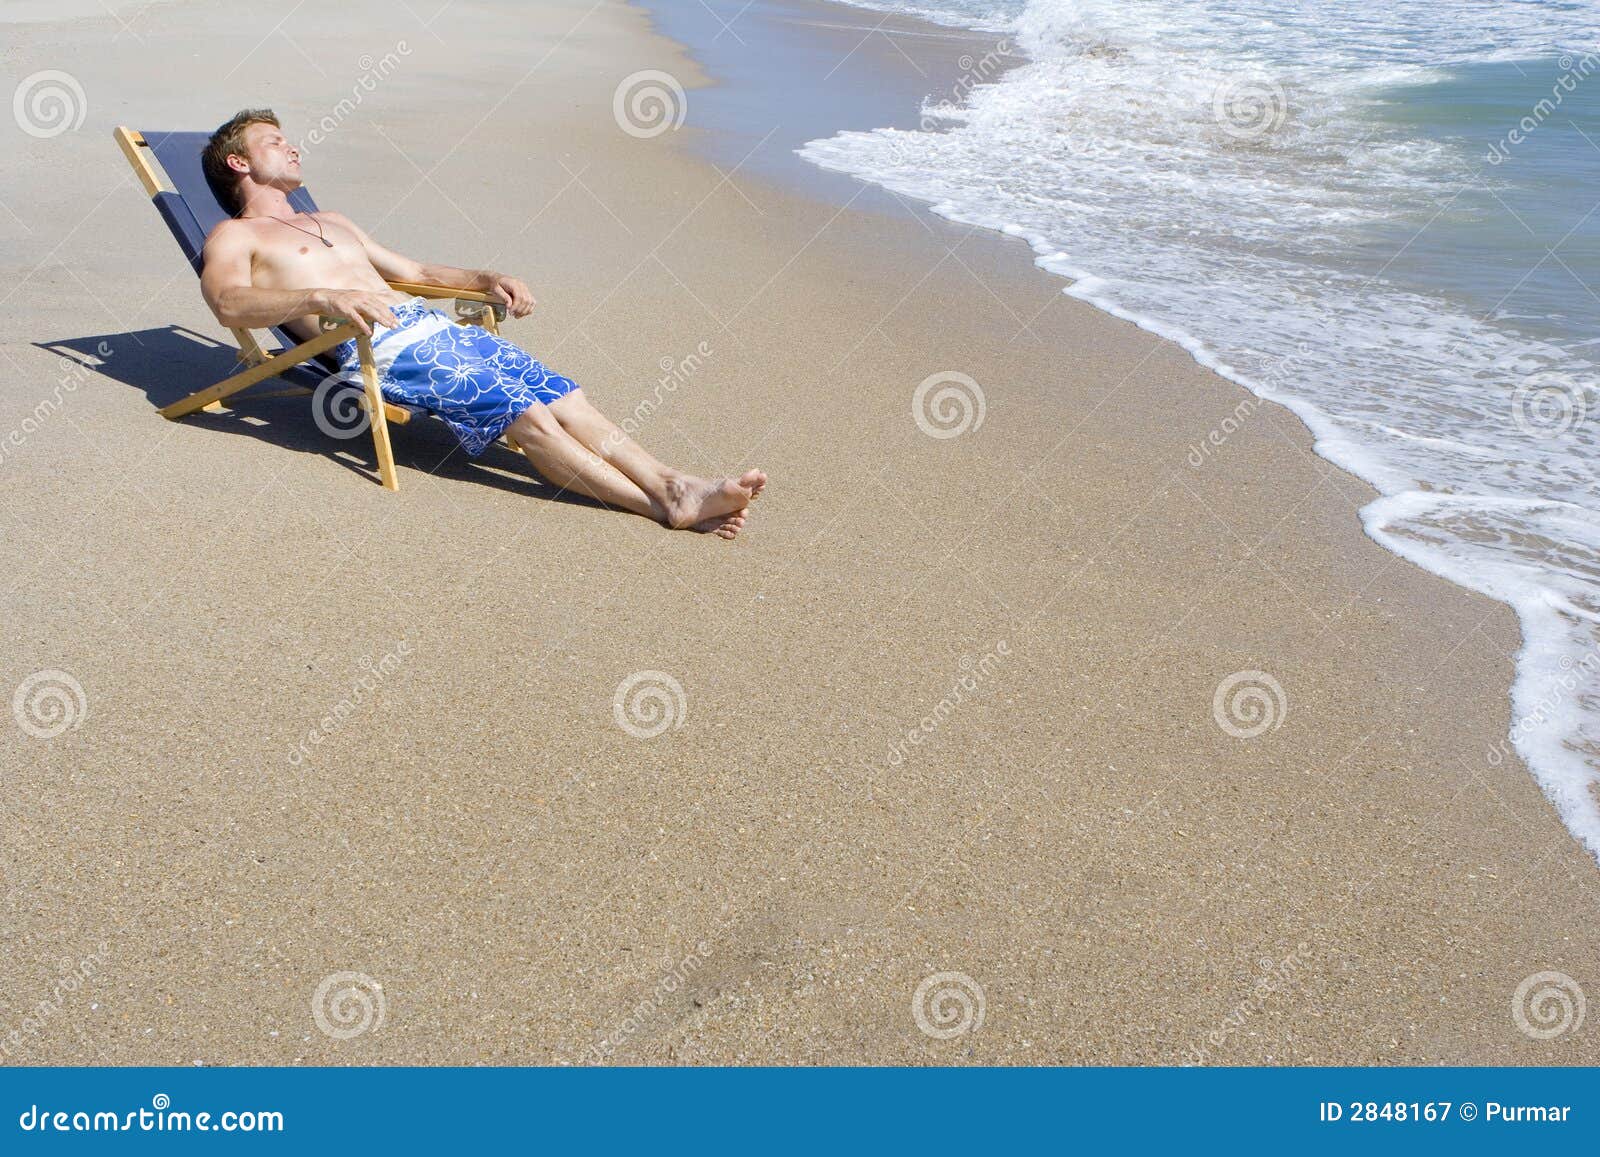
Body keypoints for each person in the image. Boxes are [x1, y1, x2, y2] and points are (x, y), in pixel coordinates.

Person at [198, 109, 765, 538]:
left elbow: (414, 271)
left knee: (565, 397)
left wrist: (482, 277)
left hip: (434, 328)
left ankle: (674, 481)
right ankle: (663, 506)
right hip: (381, 348)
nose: (293, 146)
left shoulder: (331, 220)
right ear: (239, 163)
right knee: (527, 413)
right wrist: (325, 294)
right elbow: (227, 303)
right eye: (275, 141)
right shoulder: (235, 236)